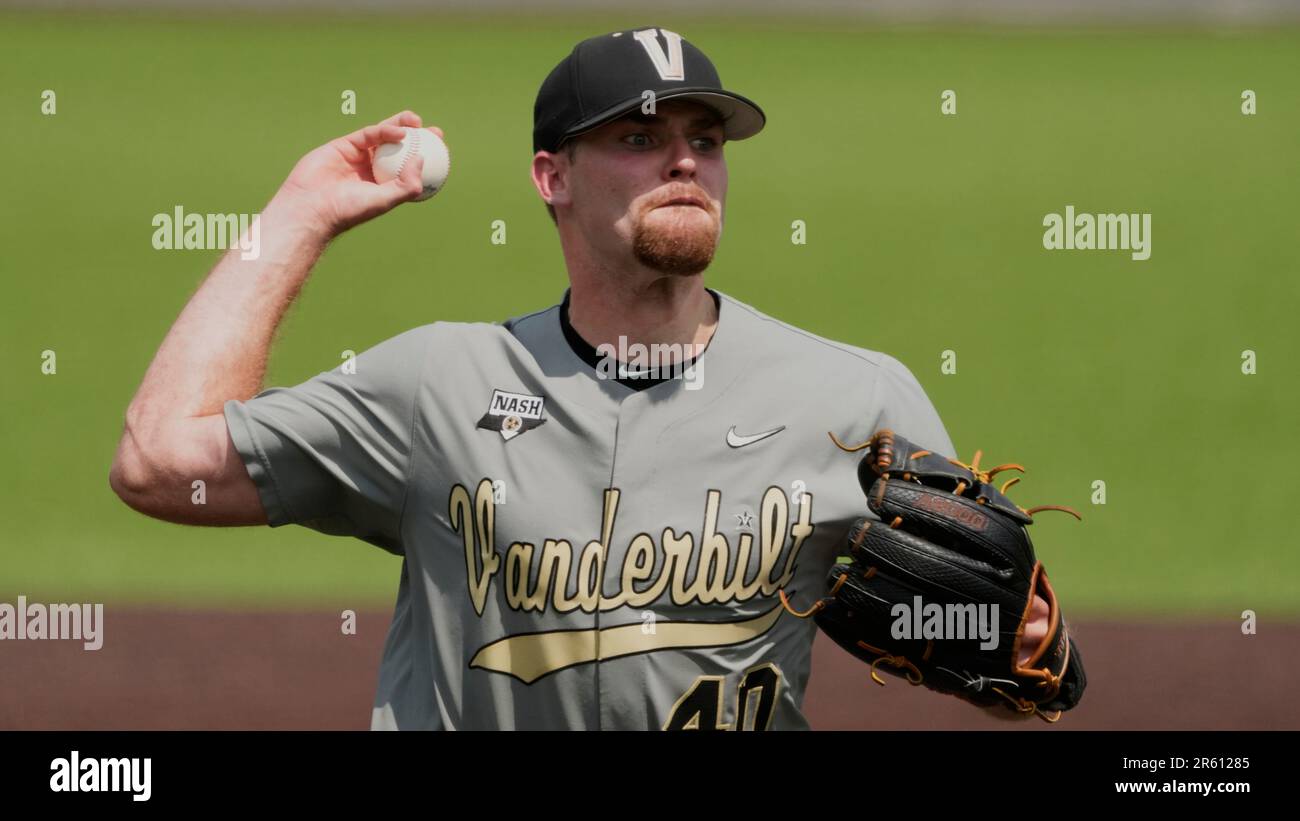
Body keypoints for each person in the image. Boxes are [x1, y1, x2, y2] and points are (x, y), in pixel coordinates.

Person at [110, 27, 1053, 730]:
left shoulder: (854, 399)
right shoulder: (438, 384)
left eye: (707, 139)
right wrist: (299, 213)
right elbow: (159, 461)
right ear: (551, 177)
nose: (686, 158)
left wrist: (1019, 645)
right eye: (639, 138)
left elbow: (1009, 660)